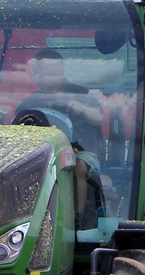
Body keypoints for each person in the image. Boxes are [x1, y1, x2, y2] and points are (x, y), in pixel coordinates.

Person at [18, 49, 107, 226]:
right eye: (37, 73)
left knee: (76, 165)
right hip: (42, 155)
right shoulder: (31, 102)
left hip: (81, 153)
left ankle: (75, 219)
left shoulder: (81, 94)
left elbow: (98, 119)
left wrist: (81, 108)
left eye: (44, 72)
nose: (39, 77)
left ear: (59, 71)